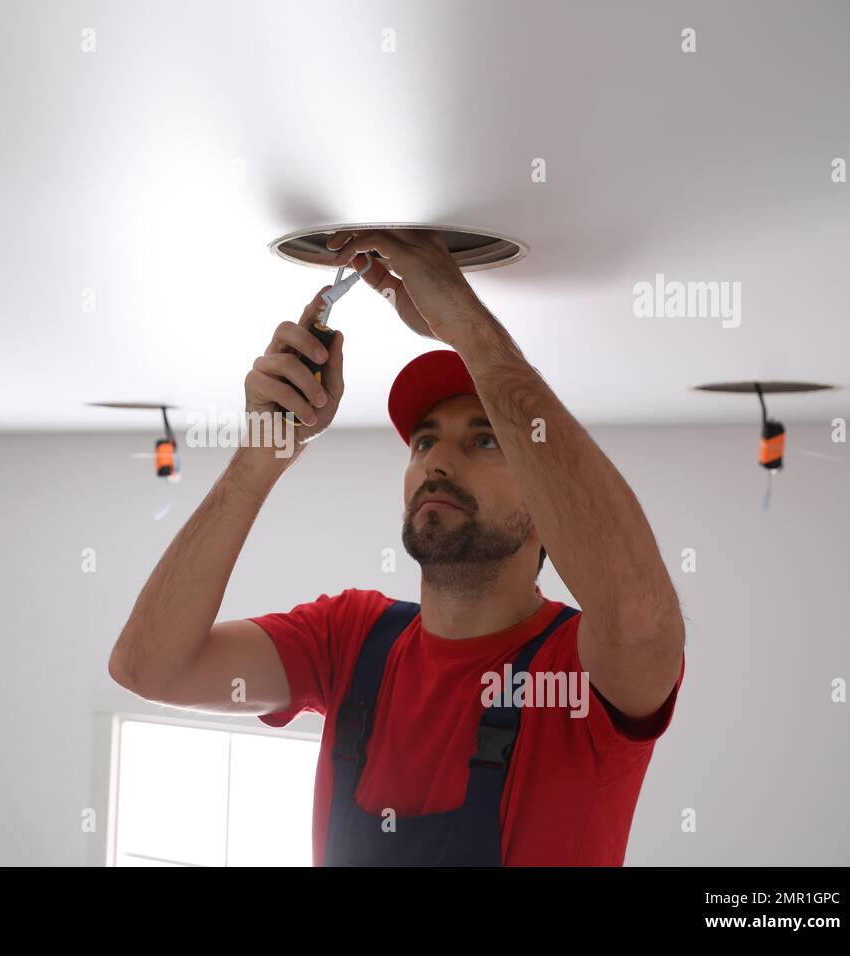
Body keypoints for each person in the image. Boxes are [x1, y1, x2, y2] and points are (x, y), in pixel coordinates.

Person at [109, 229, 685, 866]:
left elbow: (638, 616)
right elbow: (149, 668)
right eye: (424, 441)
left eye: (484, 440)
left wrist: (466, 323)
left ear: (550, 512)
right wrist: (259, 456)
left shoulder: (577, 675)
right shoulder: (352, 640)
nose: (437, 461)